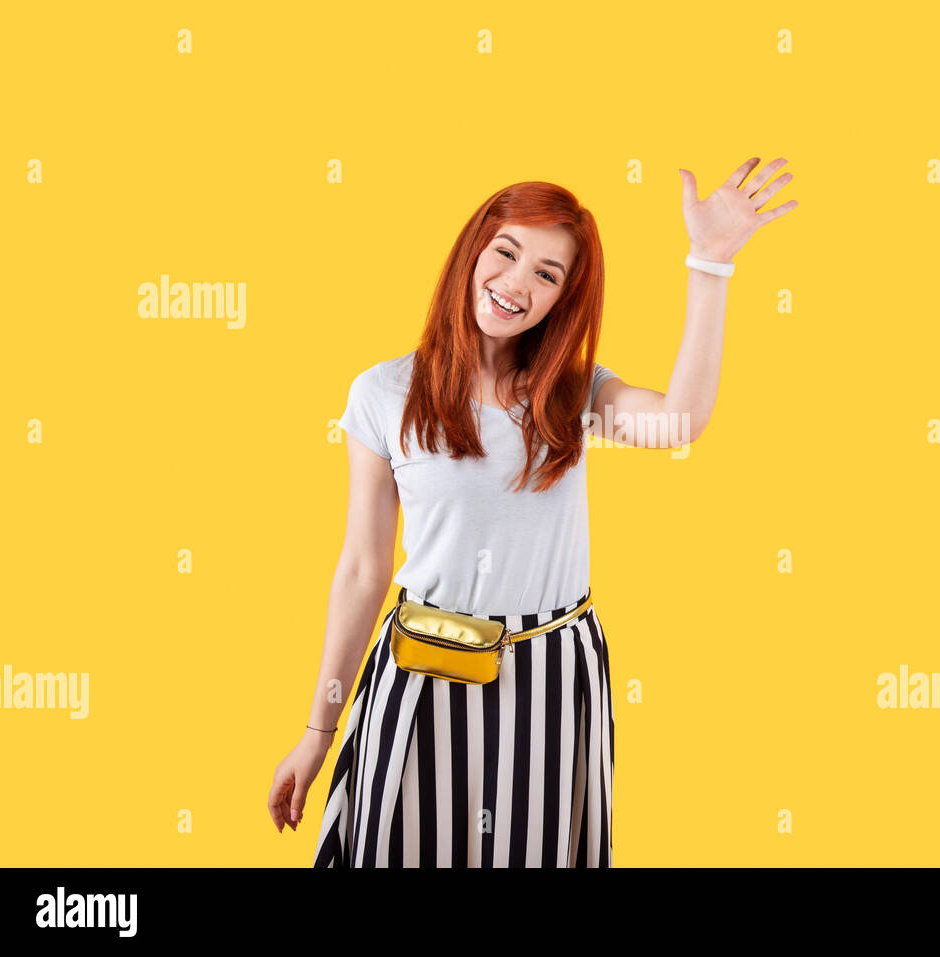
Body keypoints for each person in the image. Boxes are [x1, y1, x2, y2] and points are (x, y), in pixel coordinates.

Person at [266, 158, 797, 867]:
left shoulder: (573, 395)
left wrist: (711, 265)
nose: (517, 283)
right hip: (422, 670)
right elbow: (363, 570)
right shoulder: (382, 392)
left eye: (548, 274)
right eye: (507, 253)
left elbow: (678, 421)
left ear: (562, 300)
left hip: (551, 675)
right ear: (473, 252)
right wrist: (317, 731)